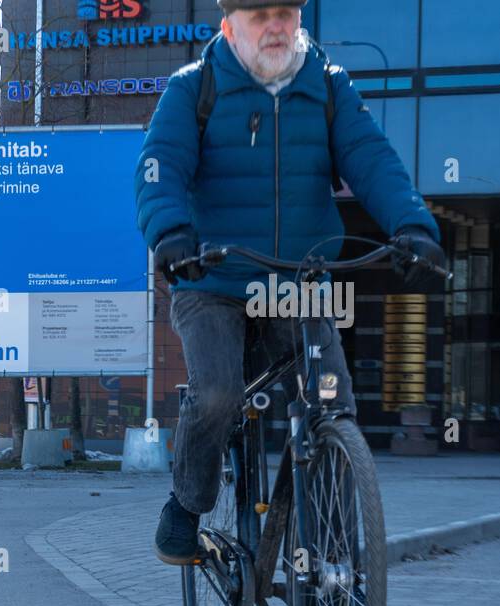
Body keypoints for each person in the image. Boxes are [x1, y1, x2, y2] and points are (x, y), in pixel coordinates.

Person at [134, 0, 446, 565]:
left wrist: (413, 227)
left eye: (285, 12)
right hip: (213, 277)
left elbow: (371, 158)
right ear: (230, 28)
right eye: (260, 16)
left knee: (330, 401)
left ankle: (329, 564)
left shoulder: (328, 86)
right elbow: (160, 168)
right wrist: (172, 236)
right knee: (222, 391)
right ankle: (187, 503)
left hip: (296, 280)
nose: (276, 26)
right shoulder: (193, 88)